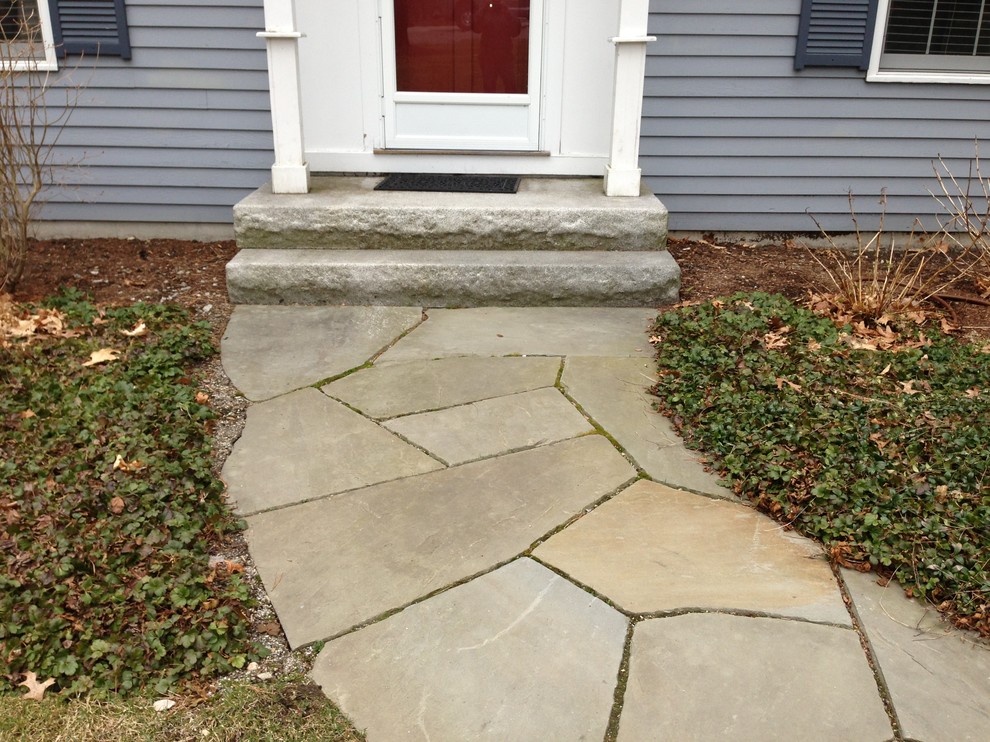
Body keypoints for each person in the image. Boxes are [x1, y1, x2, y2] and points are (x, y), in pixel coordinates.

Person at [476, 0, 523, 93]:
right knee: (489, 87)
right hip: (488, 56)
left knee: (510, 85)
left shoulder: (505, 12)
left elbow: (515, 31)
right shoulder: (485, 12)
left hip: (505, 56)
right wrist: (484, 11)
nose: (495, 5)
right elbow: (476, 27)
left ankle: (512, 106)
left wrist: (508, 14)